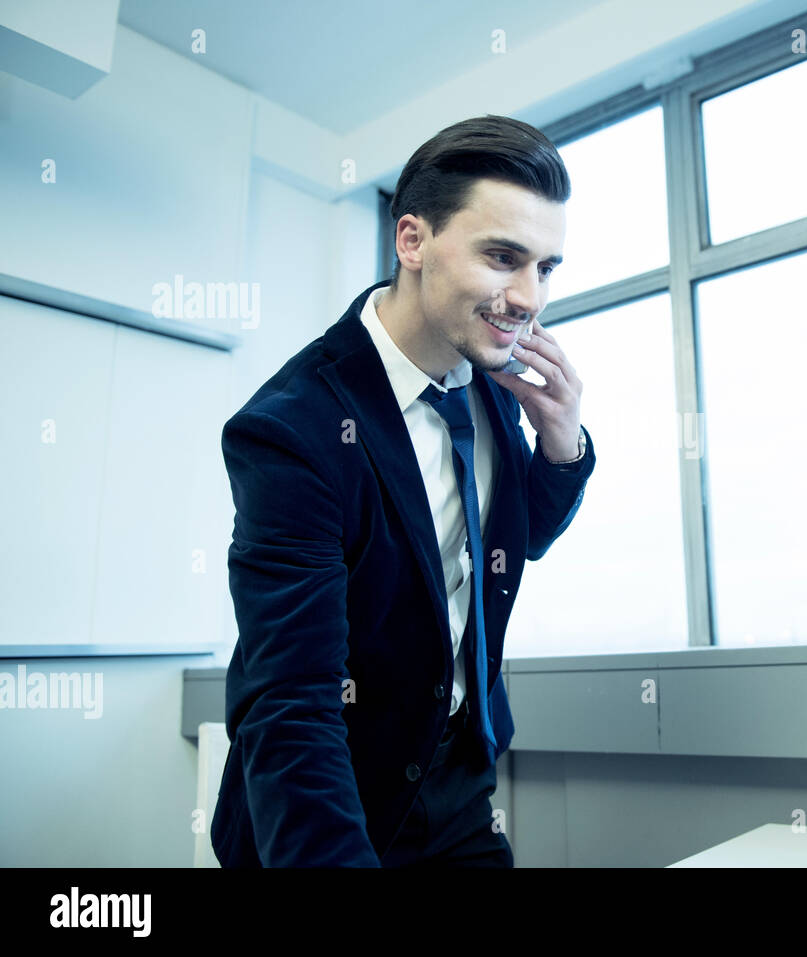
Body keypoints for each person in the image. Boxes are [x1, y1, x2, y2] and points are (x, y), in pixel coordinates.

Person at [210, 114, 594, 867]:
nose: (528, 298)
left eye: (545, 267)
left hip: (456, 789)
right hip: (329, 805)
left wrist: (562, 443)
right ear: (412, 241)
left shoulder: (488, 381)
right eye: (503, 257)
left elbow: (513, 540)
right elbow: (291, 706)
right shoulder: (294, 428)